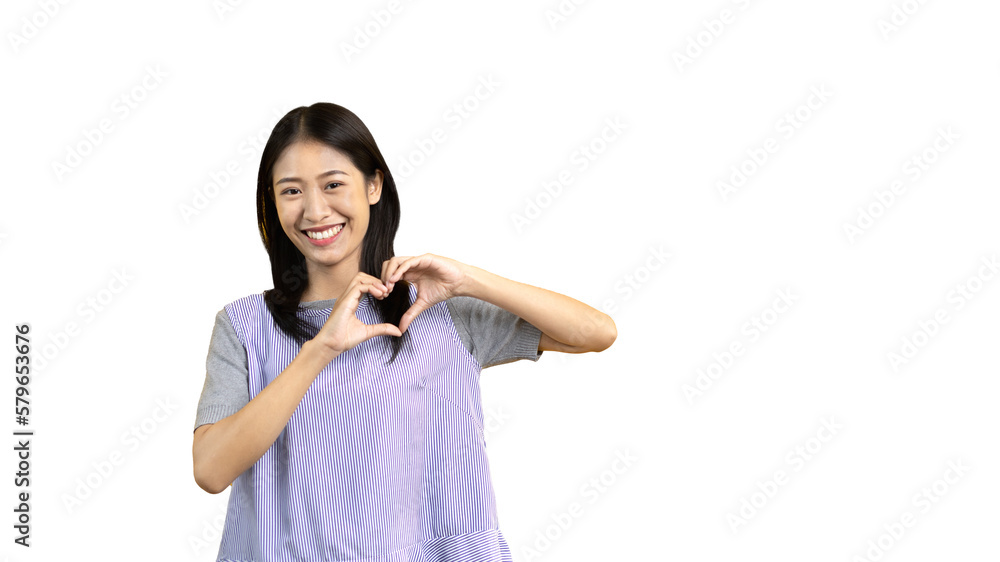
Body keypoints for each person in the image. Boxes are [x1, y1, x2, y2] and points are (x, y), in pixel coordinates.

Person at [191, 102, 617, 561]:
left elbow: (595, 332)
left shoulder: (435, 309)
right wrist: (320, 349)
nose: (315, 210)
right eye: (291, 191)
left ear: (373, 185)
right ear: (272, 204)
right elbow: (212, 470)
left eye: (334, 184)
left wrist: (470, 280)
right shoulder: (245, 326)